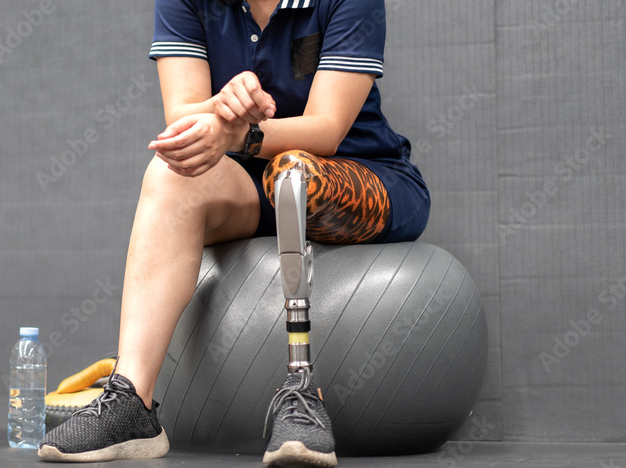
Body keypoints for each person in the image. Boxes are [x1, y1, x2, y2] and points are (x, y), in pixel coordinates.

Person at [38, 0, 429, 465]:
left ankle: (301, 392)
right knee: (170, 174)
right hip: (255, 181)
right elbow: (183, 119)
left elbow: (326, 128)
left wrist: (242, 133)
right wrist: (225, 105)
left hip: (364, 179)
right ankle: (131, 402)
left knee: (296, 170)